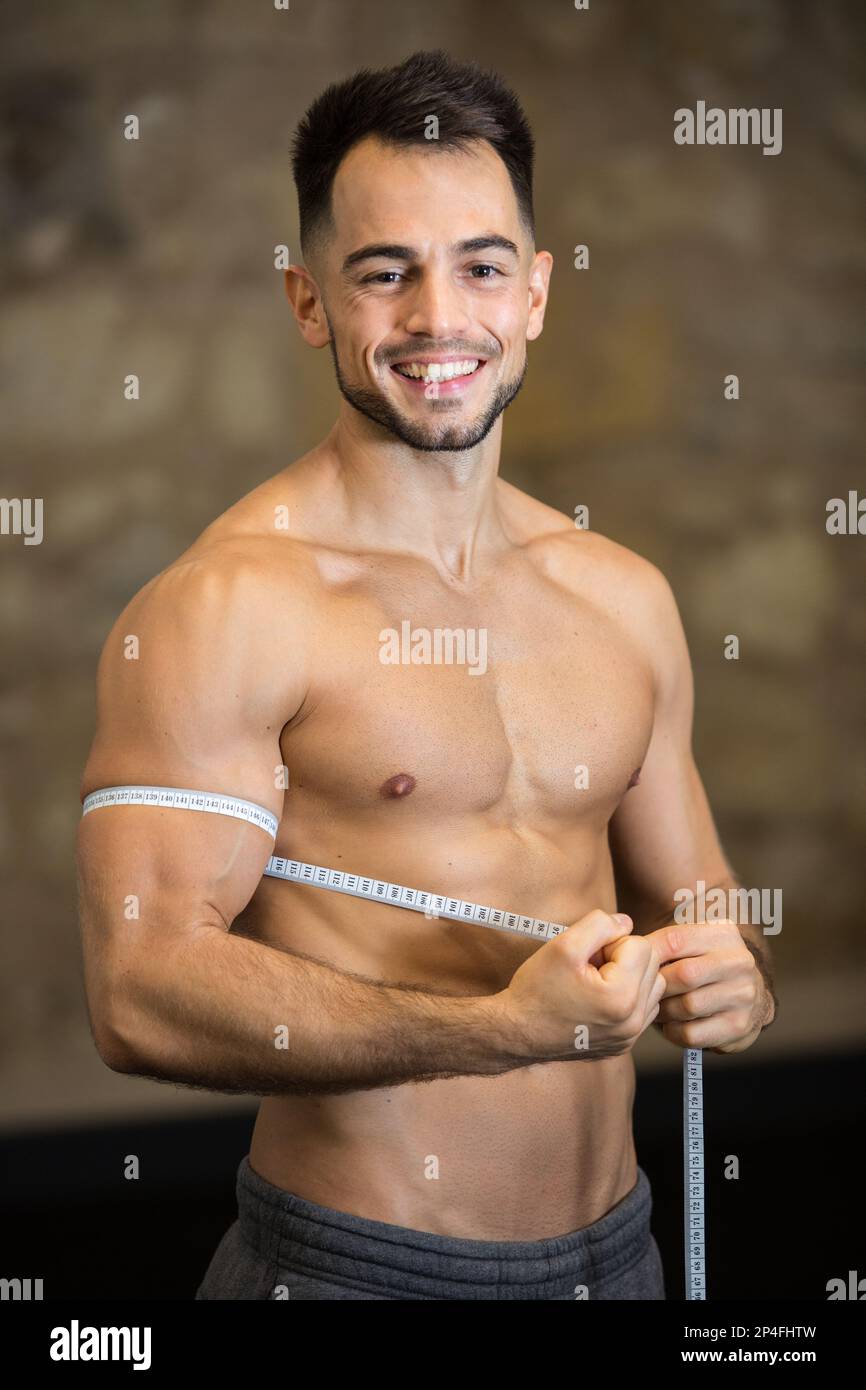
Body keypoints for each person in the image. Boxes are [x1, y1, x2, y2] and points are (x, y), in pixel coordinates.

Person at [76, 49, 776, 1301]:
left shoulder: (622, 596)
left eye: (480, 267)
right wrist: (499, 1032)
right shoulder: (228, 605)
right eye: (383, 271)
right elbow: (140, 989)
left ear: (536, 295)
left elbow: (702, 900)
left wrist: (728, 976)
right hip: (360, 1271)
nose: (437, 318)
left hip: (619, 1256)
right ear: (307, 301)